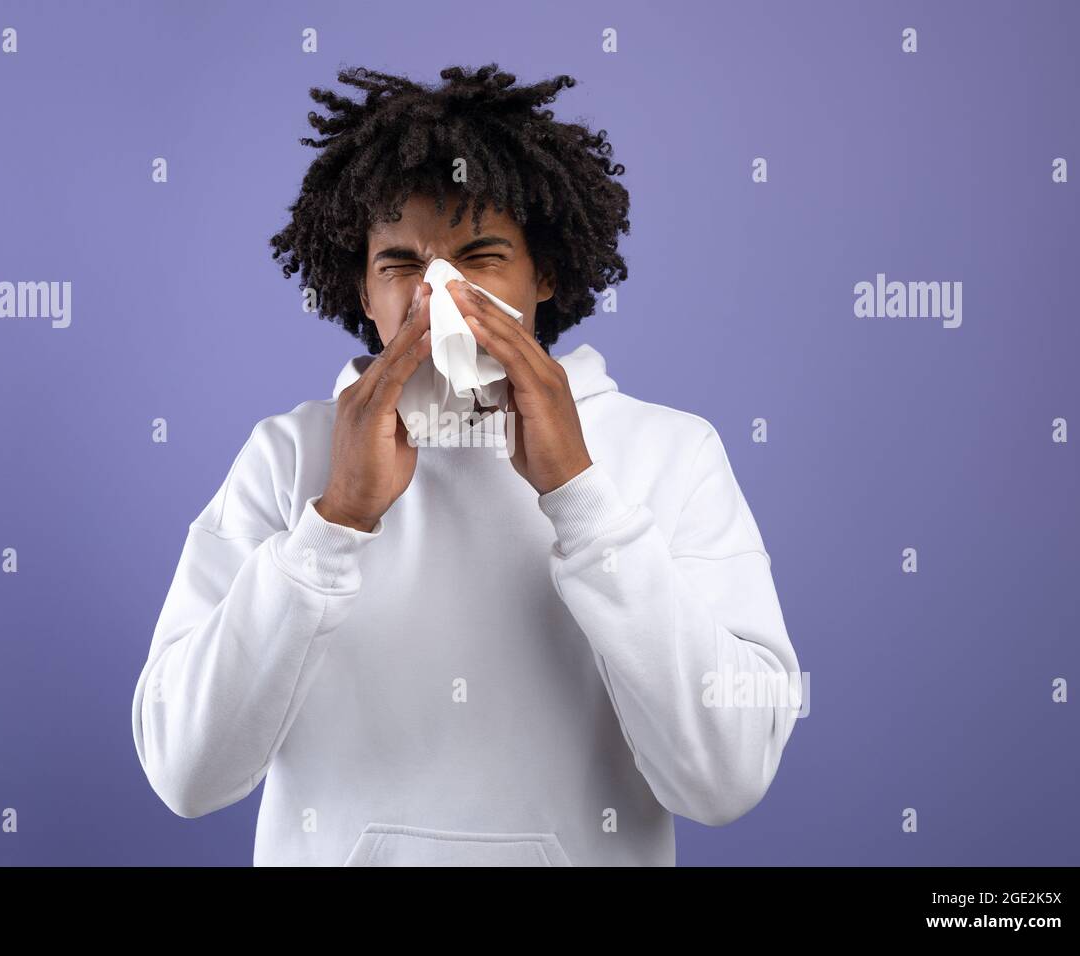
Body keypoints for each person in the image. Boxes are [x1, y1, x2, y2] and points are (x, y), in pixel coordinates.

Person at [131, 64, 802, 866]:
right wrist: (334, 521)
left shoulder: (669, 452)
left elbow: (726, 781)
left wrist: (582, 500)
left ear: (543, 274)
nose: (436, 298)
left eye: (480, 257)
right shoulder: (287, 457)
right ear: (363, 291)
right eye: (401, 266)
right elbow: (185, 774)